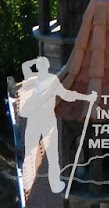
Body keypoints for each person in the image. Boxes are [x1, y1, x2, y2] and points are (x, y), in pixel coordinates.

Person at [16, 56, 95, 195]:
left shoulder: (34, 79)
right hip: (44, 120)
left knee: (36, 152)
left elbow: (25, 67)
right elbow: (68, 94)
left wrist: (36, 62)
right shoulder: (52, 81)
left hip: (38, 120)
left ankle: (31, 181)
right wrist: (86, 97)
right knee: (51, 155)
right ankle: (53, 184)